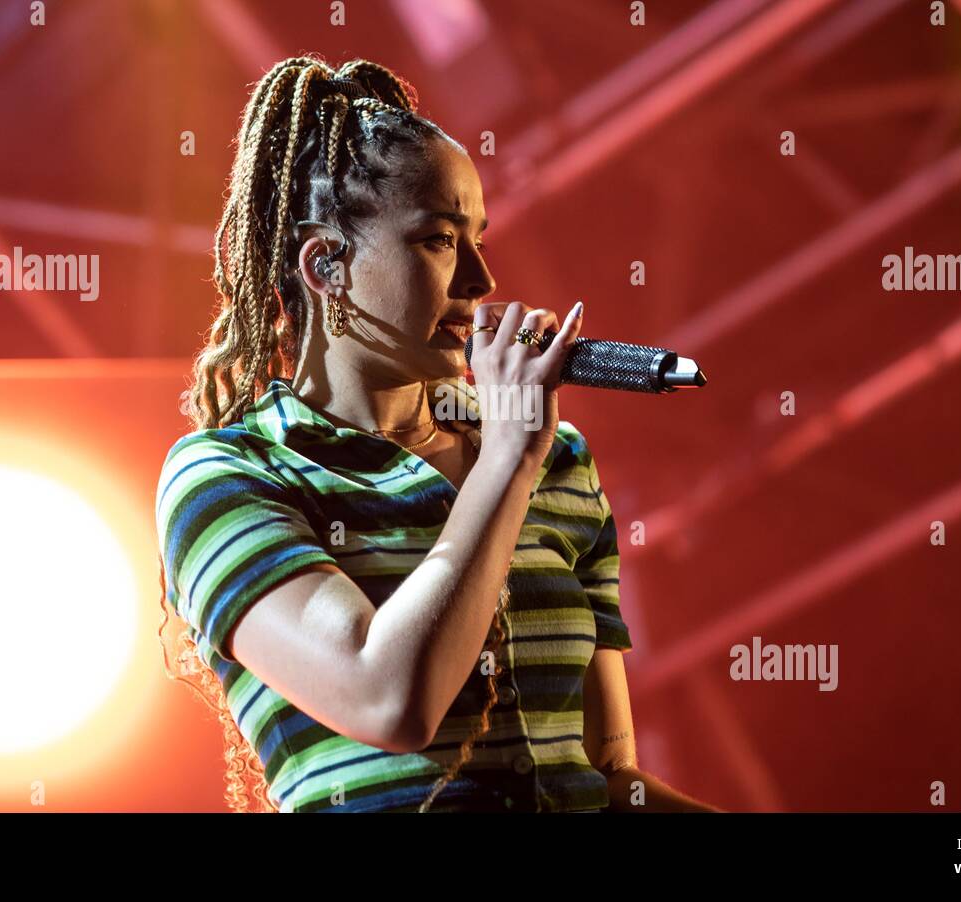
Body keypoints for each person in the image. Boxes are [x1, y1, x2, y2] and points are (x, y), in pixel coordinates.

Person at [154, 55, 719, 813]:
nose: (482, 280)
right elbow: (386, 699)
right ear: (326, 265)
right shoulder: (231, 475)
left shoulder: (558, 463)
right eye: (439, 240)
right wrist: (507, 465)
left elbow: (608, 782)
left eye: (478, 238)